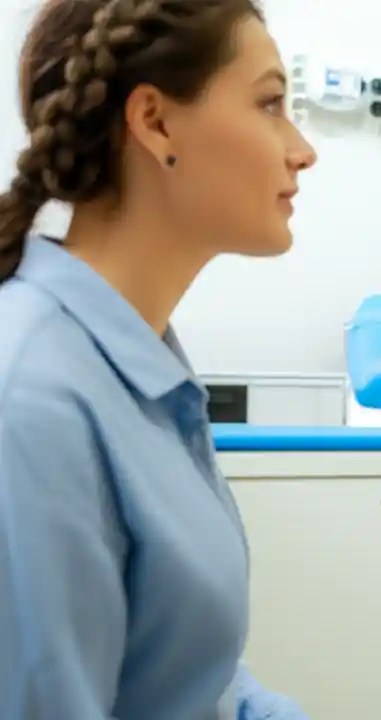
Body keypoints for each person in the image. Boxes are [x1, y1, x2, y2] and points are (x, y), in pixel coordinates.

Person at [0, 1, 317, 718]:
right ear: (156, 122)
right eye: (270, 103)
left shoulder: (141, 366)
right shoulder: (33, 403)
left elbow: (185, 672)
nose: (302, 148)